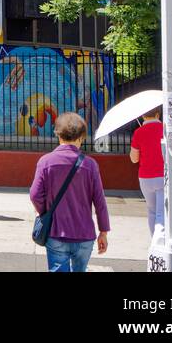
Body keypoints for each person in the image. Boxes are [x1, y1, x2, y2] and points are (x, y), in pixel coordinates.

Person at [29, 112, 111, 272]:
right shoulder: (90, 165)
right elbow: (100, 201)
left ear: (58, 135)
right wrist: (103, 231)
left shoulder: (45, 162)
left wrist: (44, 211)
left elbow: (34, 194)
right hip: (84, 234)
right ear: (81, 137)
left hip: (56, 231)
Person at [129, 107, 165, 236]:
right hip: (163, 176)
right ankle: (161, 240)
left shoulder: (138, 132)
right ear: (157, 114)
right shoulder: (166, 129)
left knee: (152, 211)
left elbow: (134, 159)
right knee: (162, 212)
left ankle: (154, 240)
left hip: (145, 177)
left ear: (143, 116)